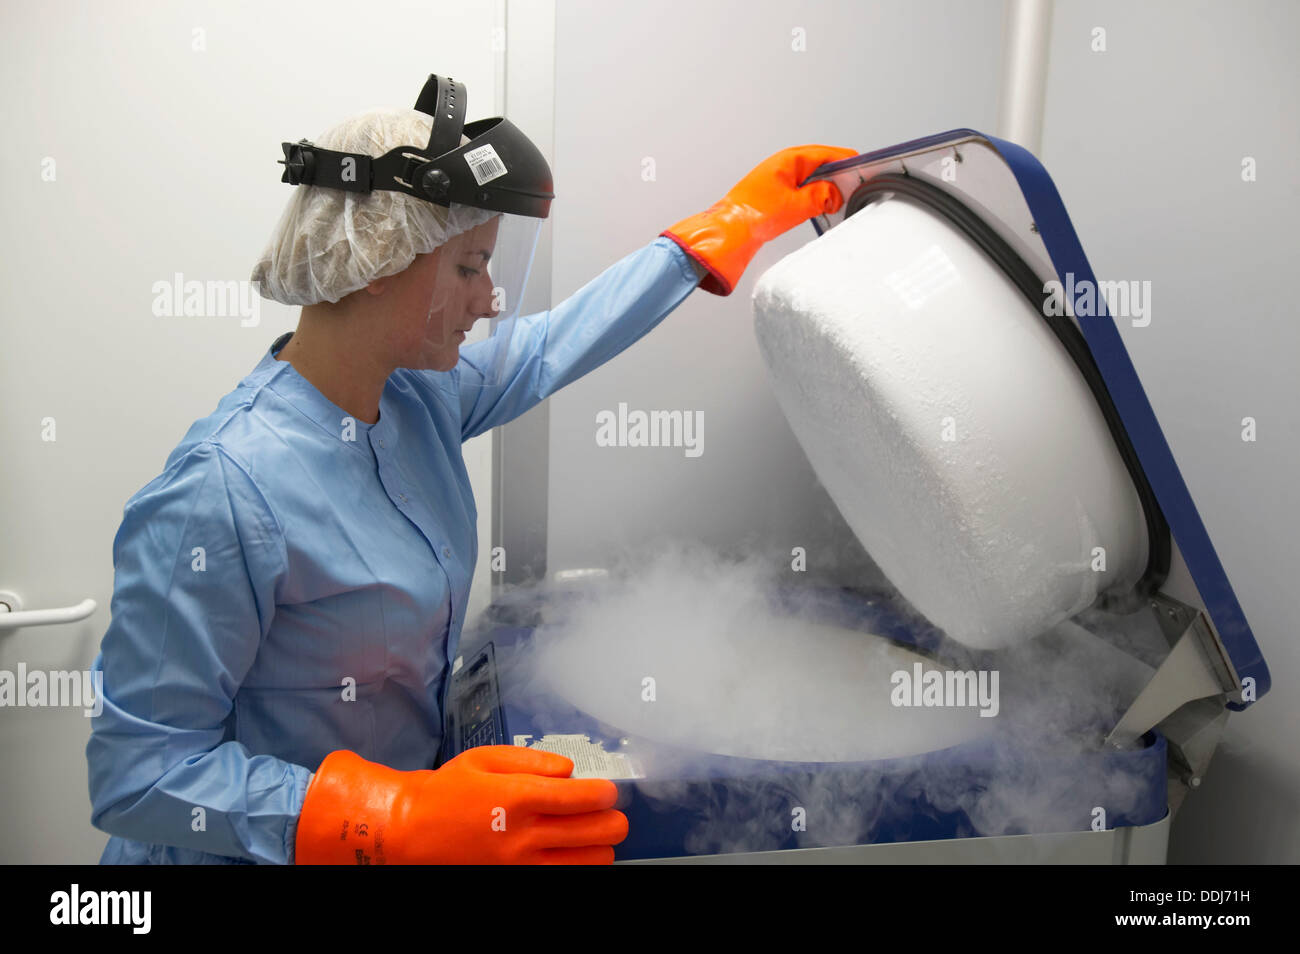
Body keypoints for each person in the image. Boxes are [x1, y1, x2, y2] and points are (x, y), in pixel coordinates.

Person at [86, 72, 854, 864]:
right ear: (380, 261)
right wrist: (387, 816)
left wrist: (719, 233)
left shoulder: (420, 399)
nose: (490, 299)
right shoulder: (221, 490)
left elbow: (555, 344)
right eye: (468, 267)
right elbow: (140, 775)